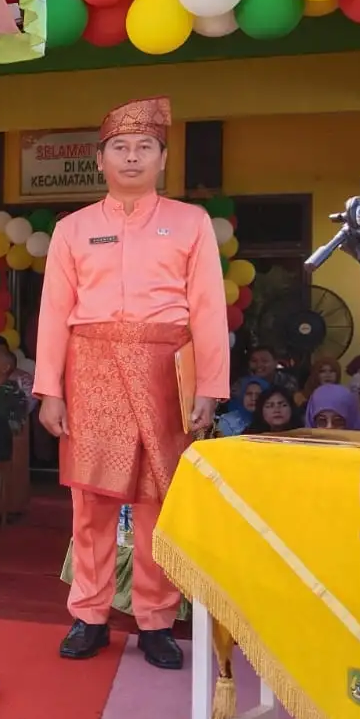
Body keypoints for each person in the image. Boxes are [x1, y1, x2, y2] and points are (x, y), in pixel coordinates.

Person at [33, 96, 229, 671]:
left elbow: (209, 309)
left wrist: (210, 387)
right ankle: (89, 613)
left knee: (157, 500)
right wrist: (50, 388)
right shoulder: (72, 230)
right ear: (100, 161)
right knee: (90, 500)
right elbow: (53, 312)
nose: (132, 157)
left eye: (145, 147)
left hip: (164, 370)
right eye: (120, 147)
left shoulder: (191, 223)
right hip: (89, 366)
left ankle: (156, 619)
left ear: (163, 159)